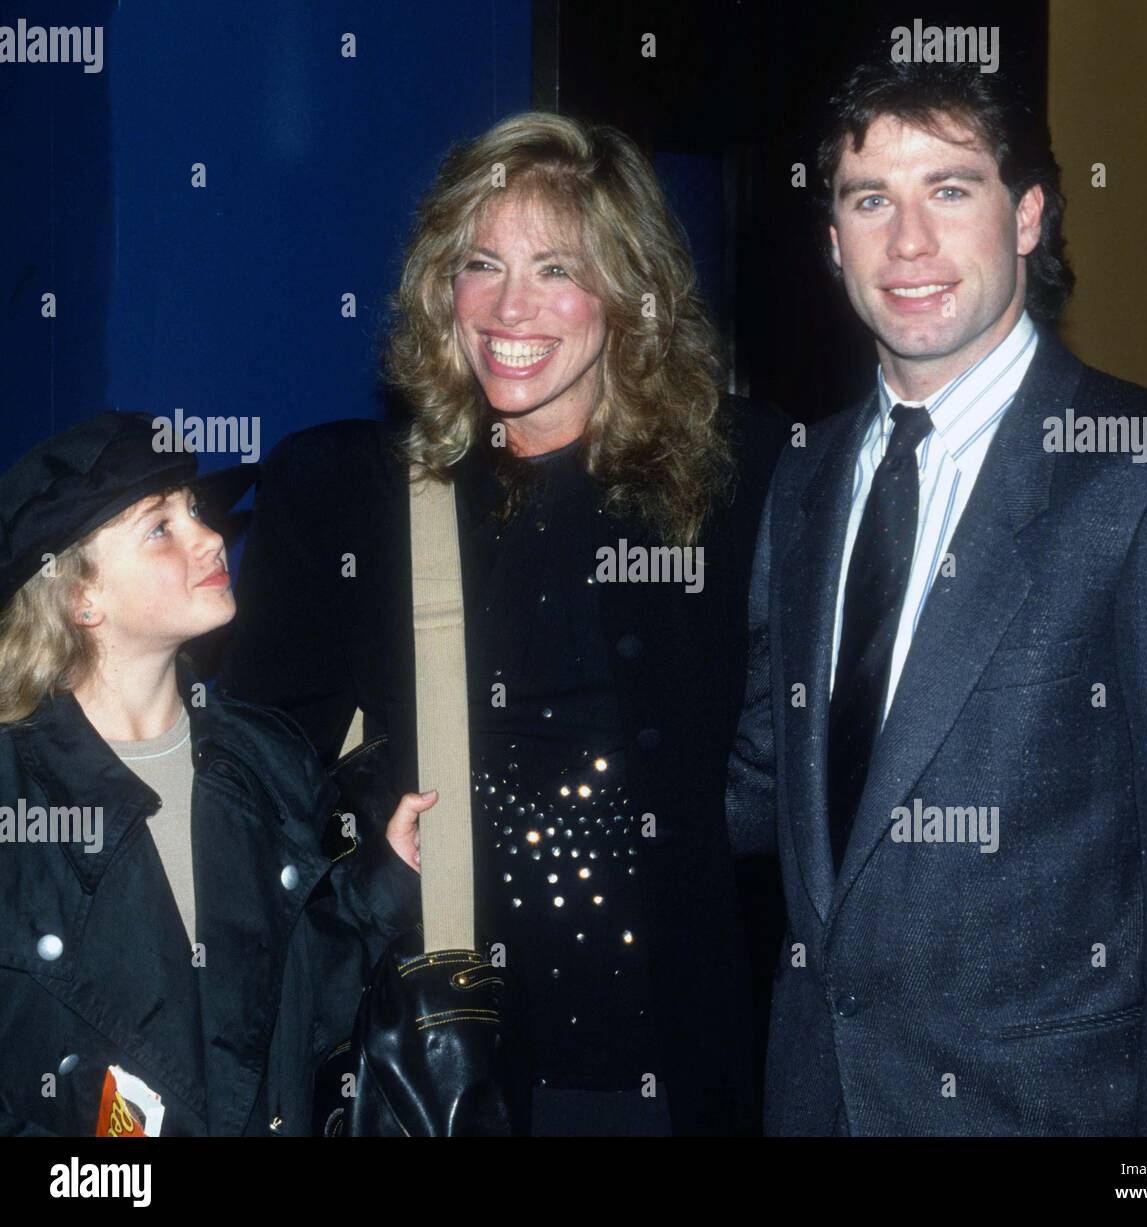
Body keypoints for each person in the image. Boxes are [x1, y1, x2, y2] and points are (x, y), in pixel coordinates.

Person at [727, 56, 1147, 1136]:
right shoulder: (803, 479)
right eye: (869, 200)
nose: (908, 243)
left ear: (1027, 215)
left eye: (950, 189)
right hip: (816, 1100)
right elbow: (761, 783)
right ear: (830, 237)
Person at [219, 112, 788, 1136]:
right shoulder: (349, 491)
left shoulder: (754, 479)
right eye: (480, 264)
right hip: (452, 1064)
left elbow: (801, 757)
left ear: (632, 295)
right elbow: (251, 775)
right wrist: (362, 865)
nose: (508, 307)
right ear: (443, 286)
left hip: (680, 1063)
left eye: (556, 269)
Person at [0, 413, 426, 1136]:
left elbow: (292, 1013)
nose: (208, 537)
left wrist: (383, 885)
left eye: (194, 510)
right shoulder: (16, 796)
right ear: (81, 597)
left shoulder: (269, 759)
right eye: (160, 527)